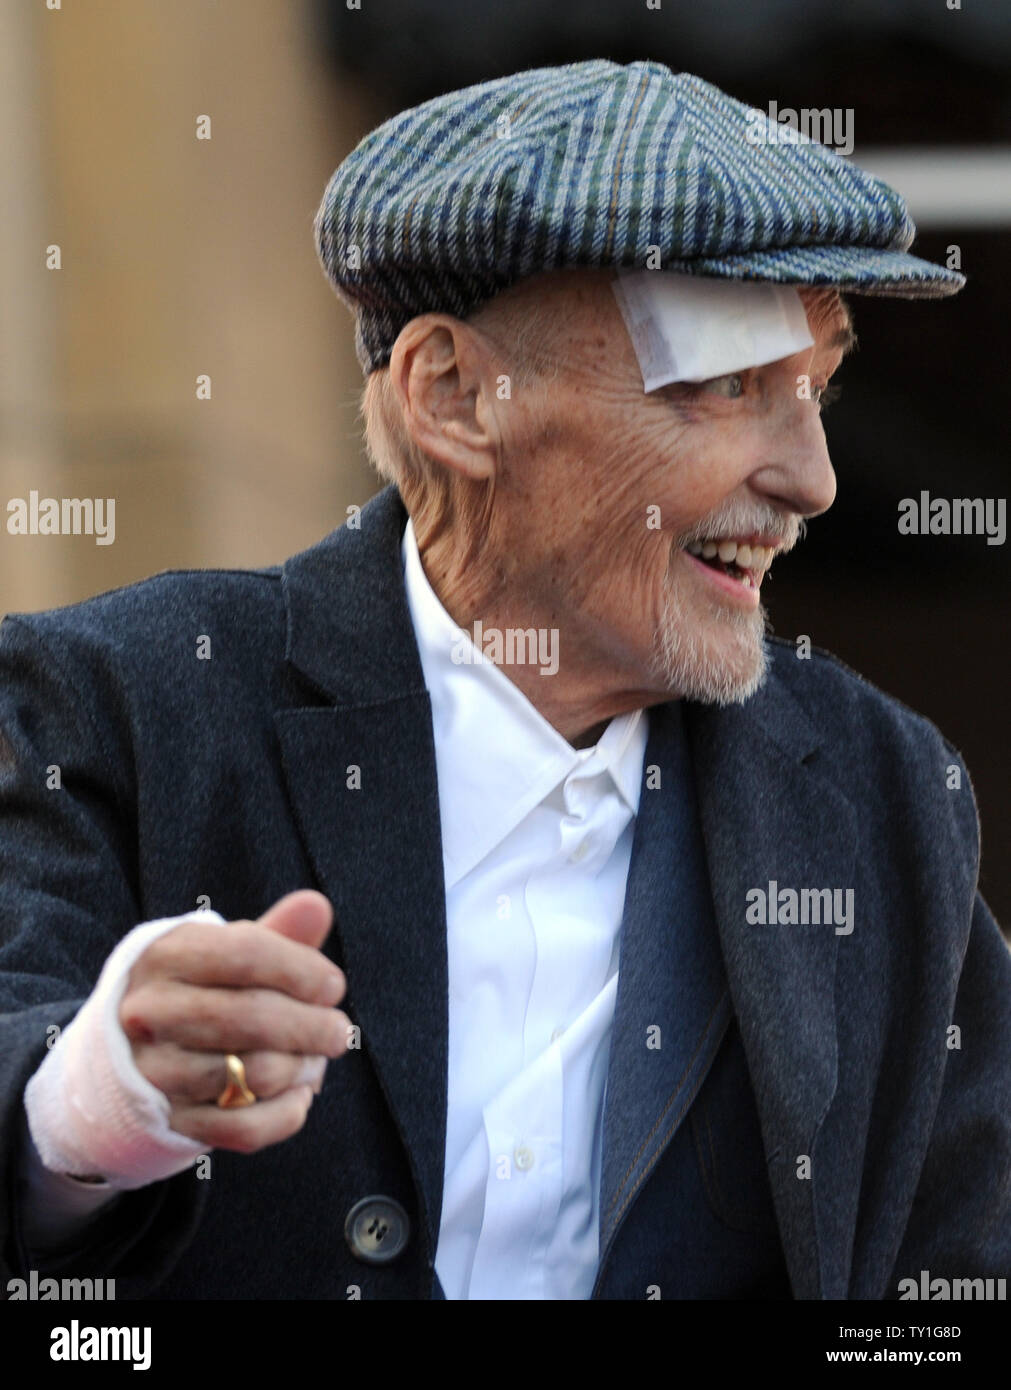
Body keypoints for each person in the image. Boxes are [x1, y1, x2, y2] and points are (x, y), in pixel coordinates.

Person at [1, 59, 1008, 1302]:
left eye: (818, 388)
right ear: (457, 397)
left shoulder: (886, 792)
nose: (813, 480)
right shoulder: (112, 704)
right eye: (730, 385)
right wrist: (97, 1099)